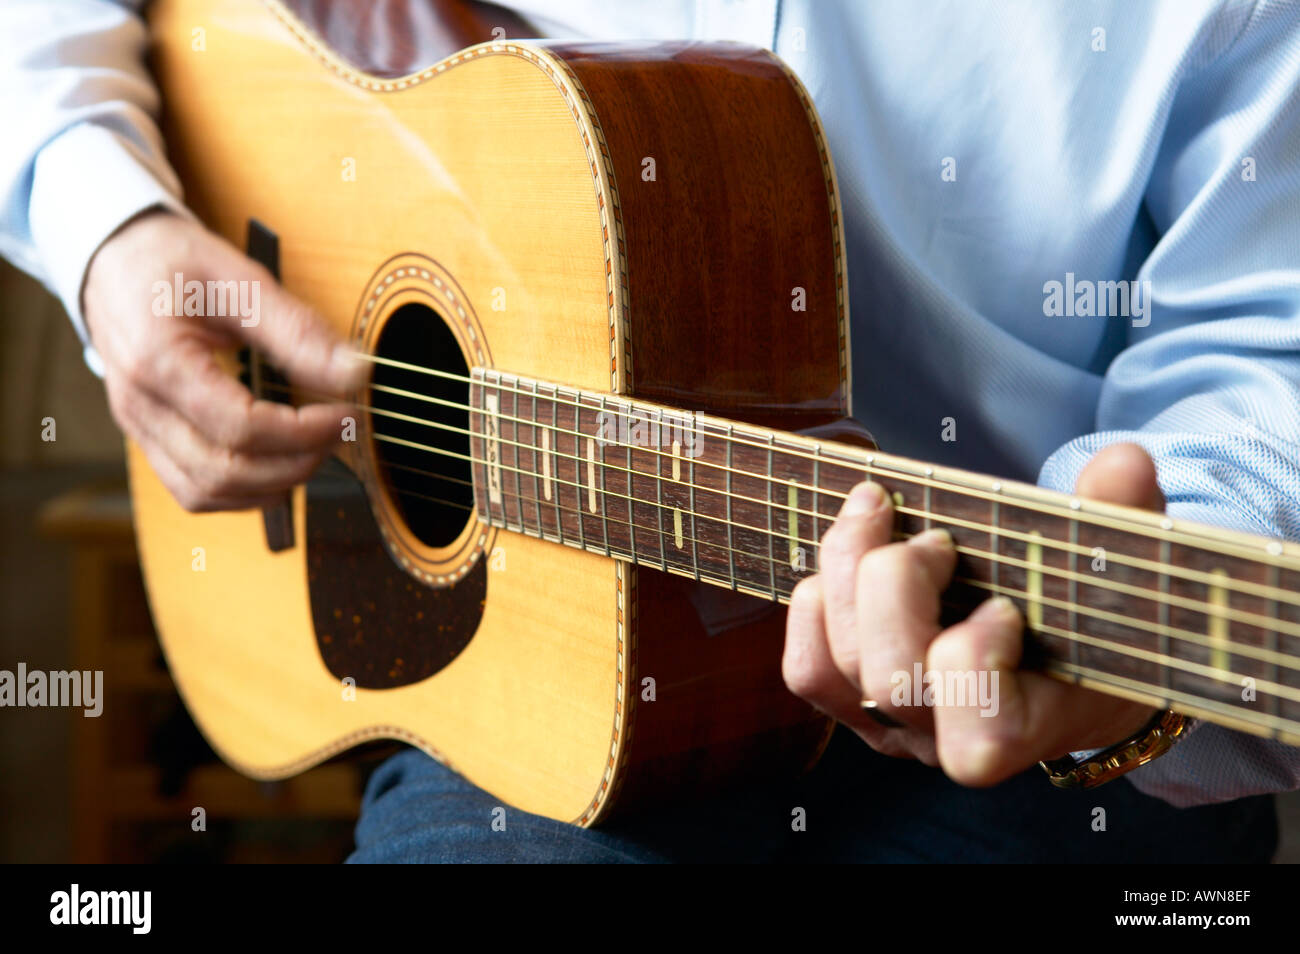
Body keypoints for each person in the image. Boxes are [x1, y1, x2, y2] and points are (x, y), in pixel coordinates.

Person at [3, 0, 1297, 862]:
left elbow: (1265, 365)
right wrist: (108, 229)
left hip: (1053, 753)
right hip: (550, 692)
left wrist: (1124, 676)